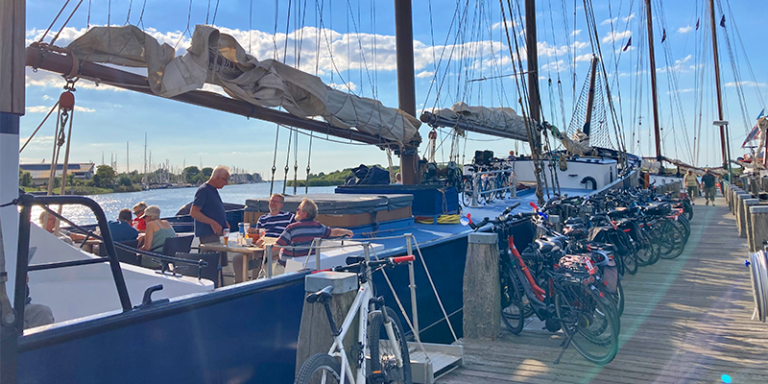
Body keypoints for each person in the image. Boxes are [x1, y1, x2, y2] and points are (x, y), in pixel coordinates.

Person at [257, 198, 353, 276]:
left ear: (304, 213)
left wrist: (264, 244)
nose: (296, 211)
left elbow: (275, 247)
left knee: (265, 267)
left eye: (298, 209)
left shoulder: (292, 228)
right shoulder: (318, 227)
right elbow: (334, 232)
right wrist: (347, 231)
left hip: (287, 267)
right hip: (309, 265)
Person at [234, 194, 296, 283]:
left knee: (258, 257)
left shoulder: (289, 217)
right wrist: (252, 233)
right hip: (262, 247)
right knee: (237, 258)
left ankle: (255, 283)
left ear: (281, 205)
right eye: (271, 201)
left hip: (277, 246)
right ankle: (238, 285)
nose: (272, 203)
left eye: (276, 201)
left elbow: (294, 234)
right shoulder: (262, 218)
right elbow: (258, 236)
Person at [190, 166, 231, 267]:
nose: (226, 183)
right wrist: (212, 223)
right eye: (225, 180)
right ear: (217, 177)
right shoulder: (204, 190)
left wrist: (224, 222)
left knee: (219, 265)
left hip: (218, 234)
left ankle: (219, 278)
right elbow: (194, 212)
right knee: (211, 266)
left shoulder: (213, 190)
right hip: (209, 235)